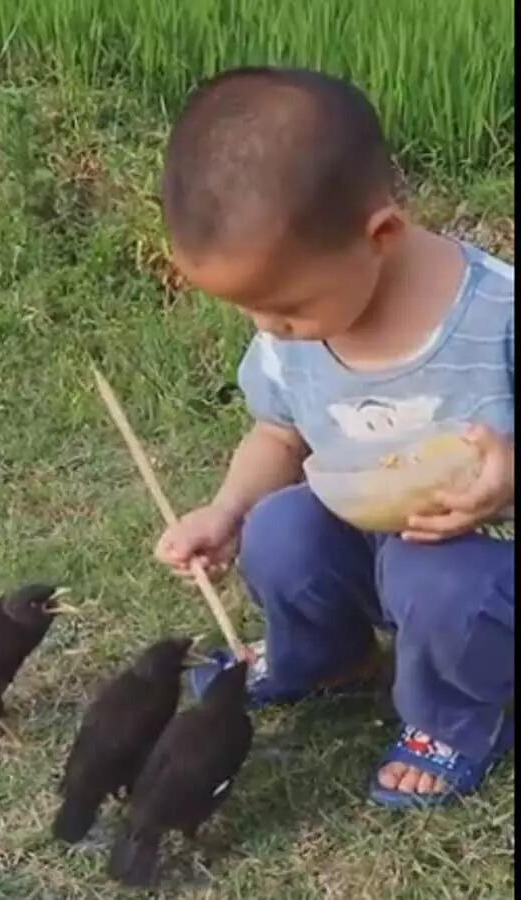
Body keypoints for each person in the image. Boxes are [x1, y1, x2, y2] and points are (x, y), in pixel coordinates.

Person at [151, 67, 513, 808]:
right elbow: (278, 435)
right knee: (278, 524)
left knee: (437, 579)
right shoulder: (295, 334)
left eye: (284, 309)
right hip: (375, 539)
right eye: (250, 310)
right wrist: (226, 510)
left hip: (484, 572)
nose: (267, 329)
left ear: (378, 234)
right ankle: (323, 657)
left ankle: (459, 716)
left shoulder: (498, 319)